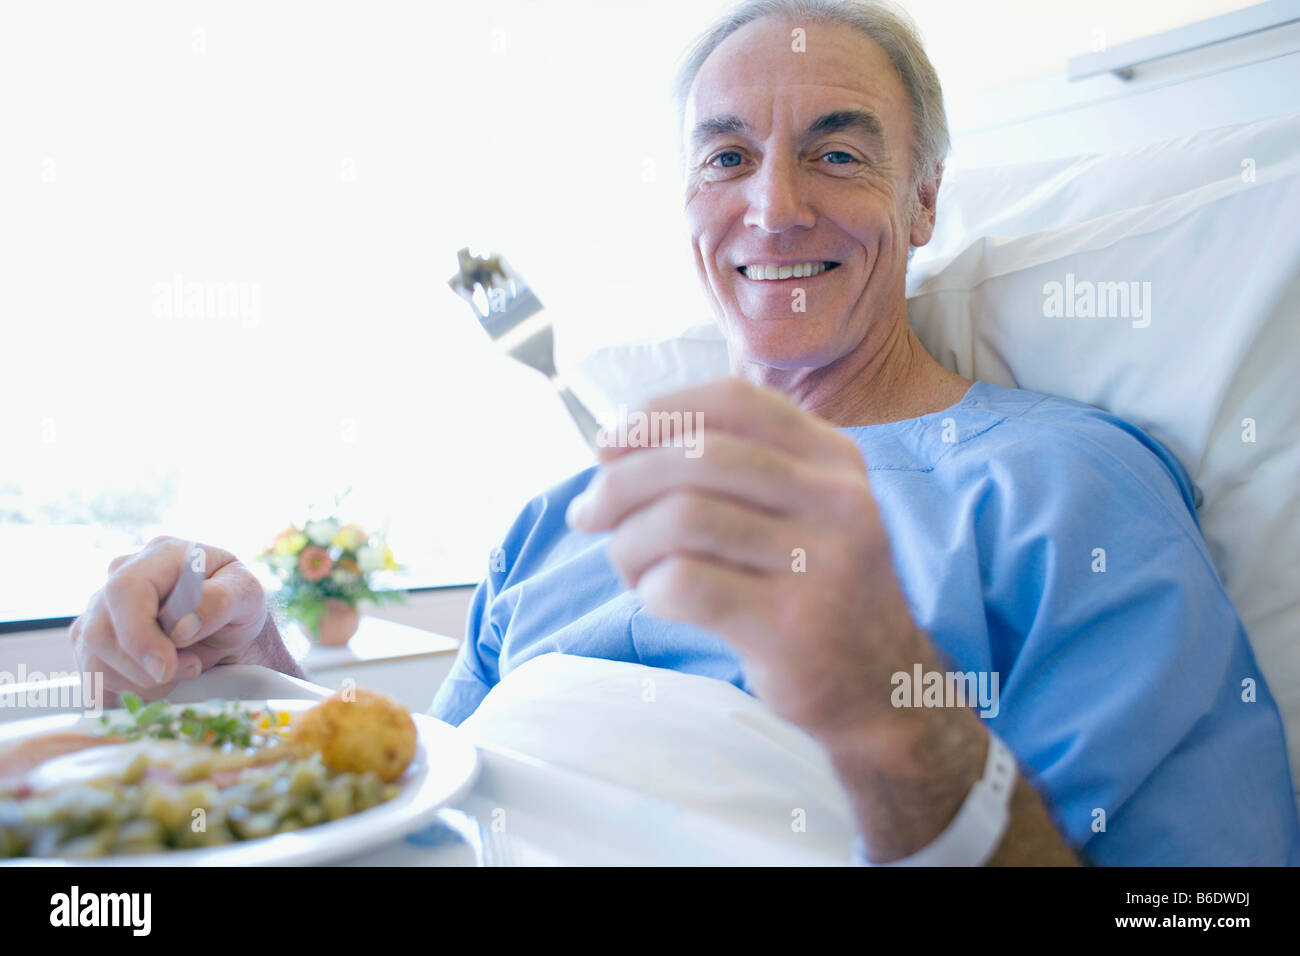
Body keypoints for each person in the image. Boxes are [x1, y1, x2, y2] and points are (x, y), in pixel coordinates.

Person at [70, 0, 1299, 865]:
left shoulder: (1070, 491)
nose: (775, 204)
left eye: (837, 149)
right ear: (690, 207)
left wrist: (884, 706)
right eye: (728, 156)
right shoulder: (565, 512)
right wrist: (243, 682)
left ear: (924, 198)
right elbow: (423, 801)